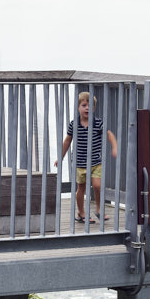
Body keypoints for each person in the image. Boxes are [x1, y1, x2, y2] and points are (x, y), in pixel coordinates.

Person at [57, 91, 119, 224]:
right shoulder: (74, 124)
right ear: (78, 107)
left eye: (91, 106)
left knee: (97, 186)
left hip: (96, 162)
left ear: (94, 108)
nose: (87, 108)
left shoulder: (98, 123)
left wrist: (114, 147)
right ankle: (81, 212)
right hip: (80, 163)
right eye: (84, 105)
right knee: (81, 188)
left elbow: (109, 134)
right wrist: (60, 157)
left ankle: (99, 209)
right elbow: (67, 141)